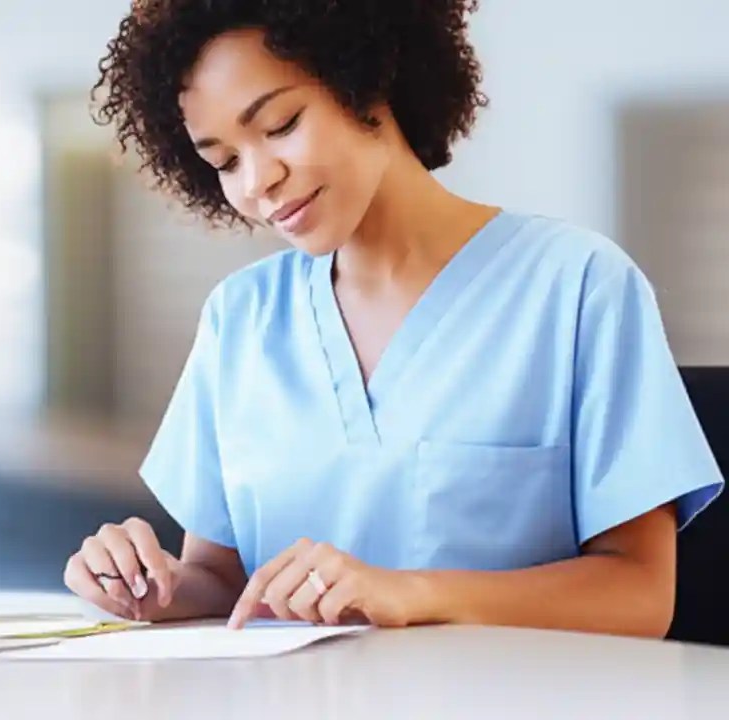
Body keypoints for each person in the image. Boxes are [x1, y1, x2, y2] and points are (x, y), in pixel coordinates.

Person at [63, 0, 723, 637]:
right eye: (225, 161)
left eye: (281, 124)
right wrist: (157, 588)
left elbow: (640, 593)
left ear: (367, 77)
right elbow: (223, 576)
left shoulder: (577, 287)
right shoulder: (241, 317)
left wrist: (408, 592)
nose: (257, 181)